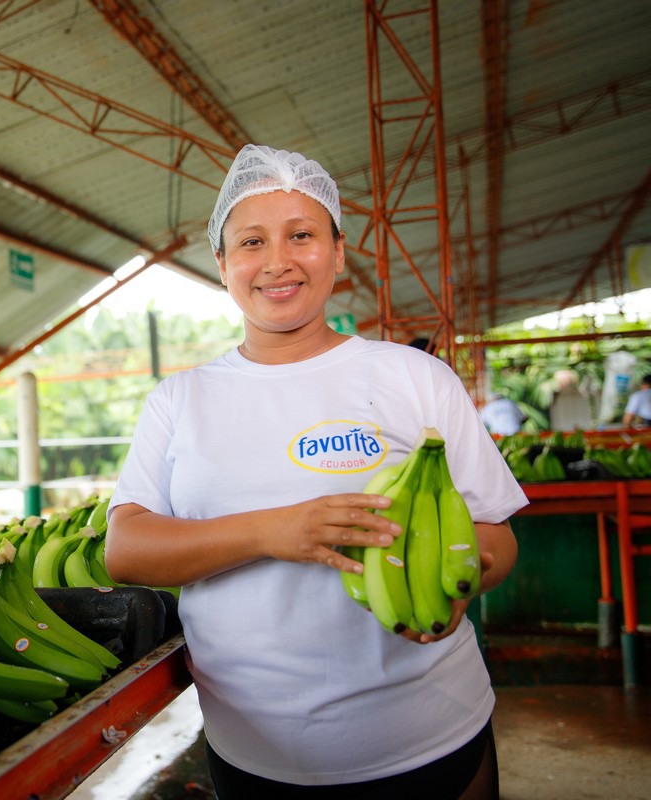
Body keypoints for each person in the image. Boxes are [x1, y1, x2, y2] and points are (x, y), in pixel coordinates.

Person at [106, 144, 525, 799]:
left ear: (336, 249)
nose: (277, 261)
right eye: (251, 241)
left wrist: (457, 588)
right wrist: (275, 532)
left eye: (301, 235)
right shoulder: (180, 399)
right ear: (222, 264)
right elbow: (125, 550)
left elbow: (494, 538)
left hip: (432, 731)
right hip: (258, 752)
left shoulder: (413, 377)